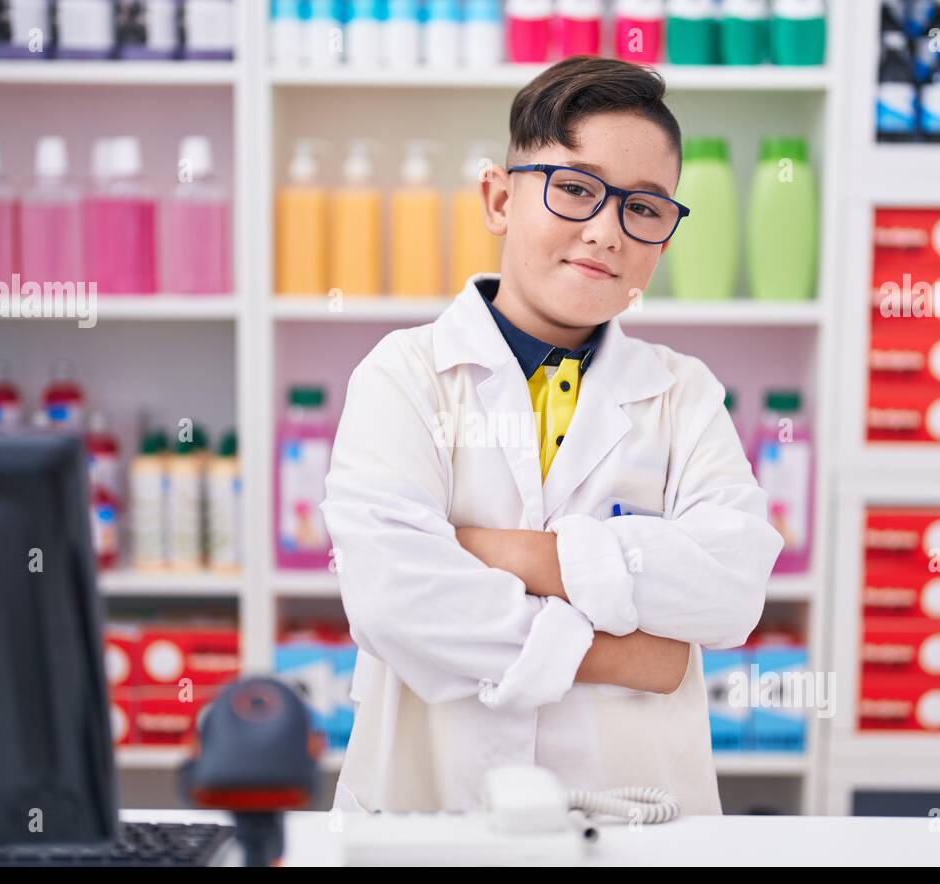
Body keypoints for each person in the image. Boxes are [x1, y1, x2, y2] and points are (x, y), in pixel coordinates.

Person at [320, 55, 784, 815]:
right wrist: (631, 655)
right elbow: (396, 601)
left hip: (640, 828)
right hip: (433, 823)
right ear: (498, 198)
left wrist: (506, 552)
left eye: (645, 207)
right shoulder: (404, 375)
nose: (606, 232)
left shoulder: (684, 393)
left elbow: (731, 592)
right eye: (574, 189)